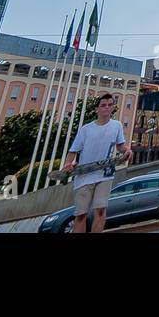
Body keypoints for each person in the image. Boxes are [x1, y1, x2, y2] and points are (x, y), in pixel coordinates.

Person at [62, 93, 131, 234]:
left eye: (110, 105)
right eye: (103, 105)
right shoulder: (86, 129)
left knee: (100, 210)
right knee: (81, 214)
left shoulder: (116, 126)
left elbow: (120, 146)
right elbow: (72, 151)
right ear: (97, 109)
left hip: (104, 174)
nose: (107, 108)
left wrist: (127, 151)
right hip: (84, 175)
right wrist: (68, 164)